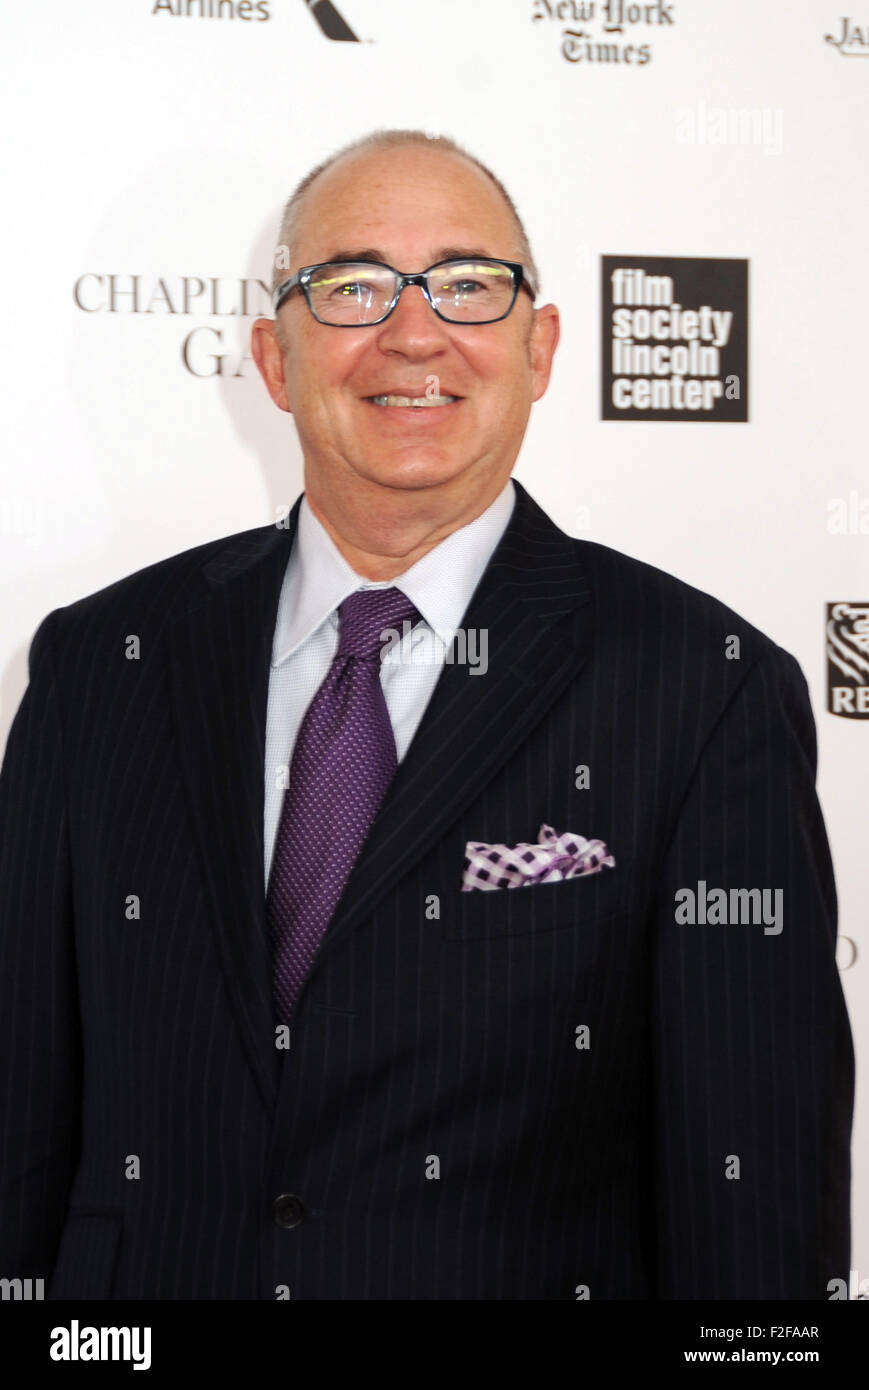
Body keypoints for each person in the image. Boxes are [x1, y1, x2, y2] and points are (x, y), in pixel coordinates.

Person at [0, 129, 853, 1300]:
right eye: (352, 287)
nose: (413, 333)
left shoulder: (702, 687)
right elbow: (22, 1117)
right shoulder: (100, 663)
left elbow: (751, 1190)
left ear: (539, 345)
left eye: (467, 285)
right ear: (273, 356)